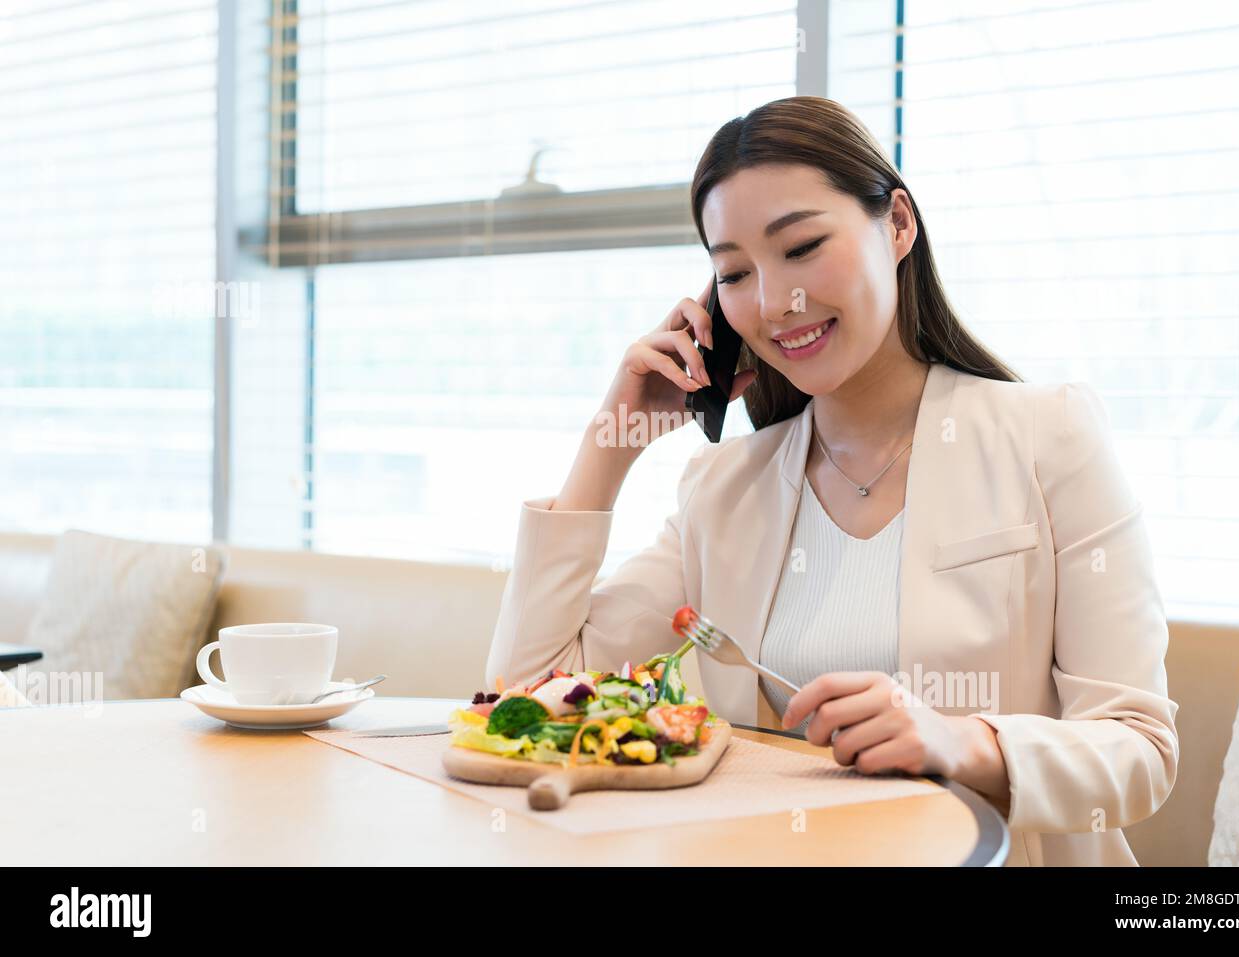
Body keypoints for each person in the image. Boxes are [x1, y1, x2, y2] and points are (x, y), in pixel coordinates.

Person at [486, 96, 1177, 866]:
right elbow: (520, 704)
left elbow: (1140, 749)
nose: (777, 301)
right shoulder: (724, 487)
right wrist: (608, 447)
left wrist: (963, 740)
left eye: (804, 245)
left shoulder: (1049, 434)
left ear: (899, 225)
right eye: (735, 272)